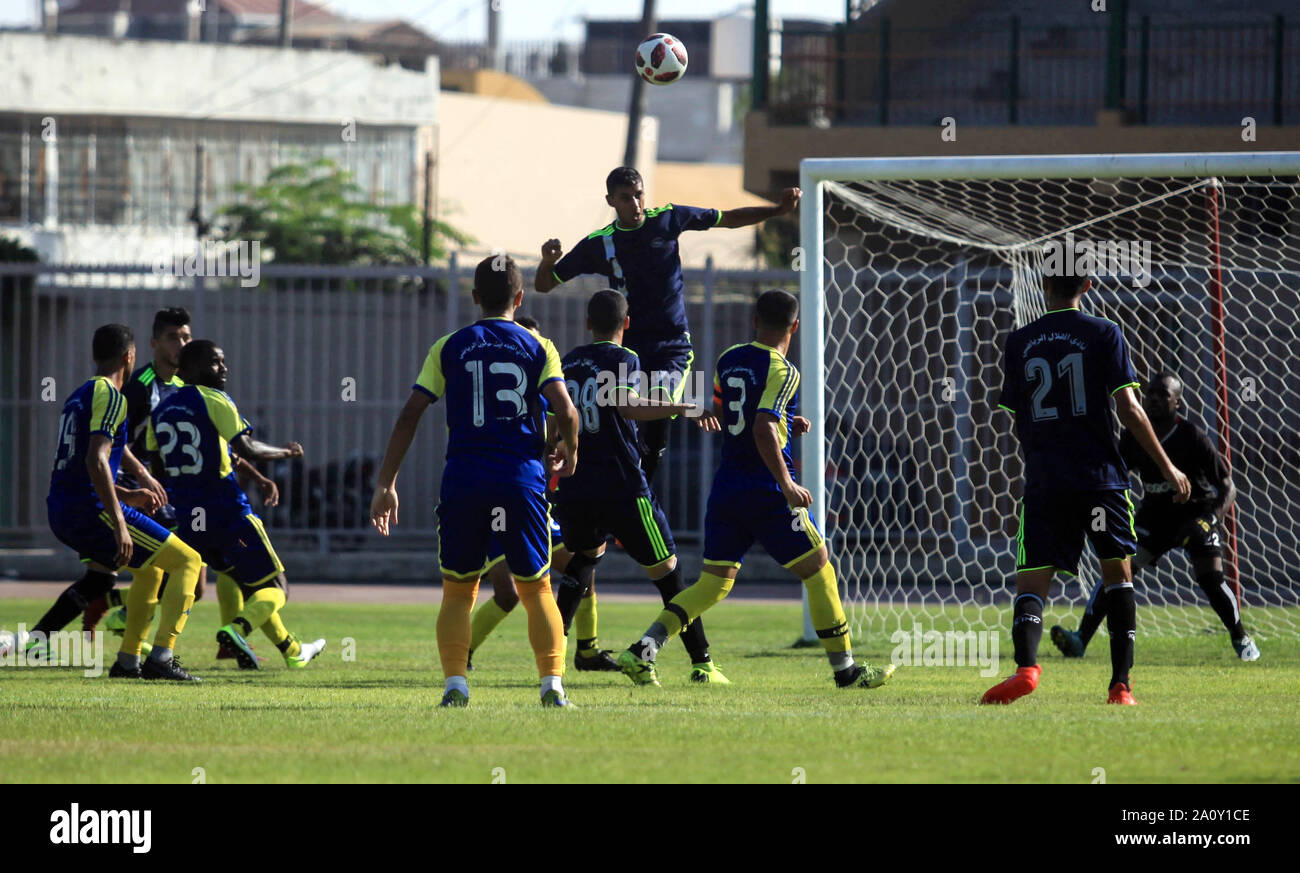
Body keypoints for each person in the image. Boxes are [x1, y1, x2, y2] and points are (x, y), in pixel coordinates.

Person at [616, 290, 895, 691]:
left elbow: (735, 412)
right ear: (794, 327)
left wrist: (785, 421)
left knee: (713, 584)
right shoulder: (784, 369)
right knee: (820, 569)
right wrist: (788, 483)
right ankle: (846, 671)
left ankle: (644, 649)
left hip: (728, 486)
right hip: (766, 488)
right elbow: (762, 427)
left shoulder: (728, 359)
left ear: (754, 320)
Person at [371, 255, 581, 708]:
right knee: (537, 587)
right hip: (520, 480)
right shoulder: (537, 345)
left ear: (474, 299)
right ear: (519, 298)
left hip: (464, 478)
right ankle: (552, 686)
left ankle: (456, 685)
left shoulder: (448, 345)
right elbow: (566, 409)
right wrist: (570, 450)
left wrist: (387, 483)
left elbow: (410, 413)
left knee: (459, 589)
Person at [983, 275, 1191, 706]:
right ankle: (1120, 687)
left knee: (1032, 583)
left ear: (1043, 283)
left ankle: (1026, 670)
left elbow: (1017, 417)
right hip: (1100, 481)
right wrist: (1168, 467)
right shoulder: (1104, 332)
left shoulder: (1020, 341)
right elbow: (1130, 409)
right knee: (1117, 578)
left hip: (1046, 483)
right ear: (1089, 284)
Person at [535, 166, 800, 483]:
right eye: (625, 198)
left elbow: (727, 218)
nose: (635, 204)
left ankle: (638, 493)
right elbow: (545, 284)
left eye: (639, 195)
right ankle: (608, 497)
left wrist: (778, 210)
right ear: (610, 201)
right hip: (628, 350)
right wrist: (548, 261)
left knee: (658, 410)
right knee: (619, 418)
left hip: (671, 347)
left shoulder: (668, 218)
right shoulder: (600, 243)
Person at [550, 289, 728, 683]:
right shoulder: (623, 358)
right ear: (626, 324)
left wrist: (556, 448)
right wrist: (683, 406)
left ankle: (552, 662)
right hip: (622, 484)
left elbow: (561, 415)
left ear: (588, 323)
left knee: (582, 561)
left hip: (578, 485)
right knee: (670, 573)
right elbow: (626, 404)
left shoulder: (570, 361)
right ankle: (700, 664)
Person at [86, 307, 277, 662]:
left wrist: (257, 475)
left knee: (198, 579)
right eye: (174, 337)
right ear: (154, 343)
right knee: (185, 570)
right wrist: (141, 480)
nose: (181, 343)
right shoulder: (138, 388)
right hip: (147, 491)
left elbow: (214, 445)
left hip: (177, 493)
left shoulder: (183, 390)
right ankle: (142, 637)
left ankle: (125, 617)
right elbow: (113, 438)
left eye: (186, 337)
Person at [1051, 371, 1258, 661]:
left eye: (1164, 395)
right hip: (1155, 517)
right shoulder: (1134, 436)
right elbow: (1117, 475)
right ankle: (1080, 639)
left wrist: (1210, 520)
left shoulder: (1192, 436)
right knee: (1117, 570)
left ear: (1178, 403)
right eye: (1151, 394)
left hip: (1195, 514)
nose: (1156, 399)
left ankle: (1242, 639)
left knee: (1210, 578)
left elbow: (1228, 487)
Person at [39, 324, 204, 681]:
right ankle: (162, 658)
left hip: (63, 507)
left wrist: (130, 494)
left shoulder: (79, 395)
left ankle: (128, 662)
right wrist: (119, 522)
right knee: (189, 561)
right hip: (89, 509)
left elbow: (85, 463)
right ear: (129, 357)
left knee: (150, 569)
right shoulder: (113, 397)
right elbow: (97, 460)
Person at [148, 340, 324, 670]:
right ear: (192, 370)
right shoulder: (215, 399)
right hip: (228, 513)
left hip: (192, 519)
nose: (224, 368)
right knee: (277, 587)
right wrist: (286, 452)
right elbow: (248, 446)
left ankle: (292, 650)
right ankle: (238, 629)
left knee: (247, 585)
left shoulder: (160, 412)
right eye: (216, 362)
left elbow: (157, 467)